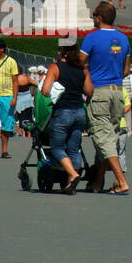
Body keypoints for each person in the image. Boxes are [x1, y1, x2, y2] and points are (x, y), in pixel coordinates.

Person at [80, 2, 130, 194]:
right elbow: (126, 69)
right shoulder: (123, 39)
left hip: (99, 91)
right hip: (117, 92)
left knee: (103, 137)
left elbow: (81, 63)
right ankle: (98, 181)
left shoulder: (91, 38)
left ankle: (121, 180)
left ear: (99, 18)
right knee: (110, 137)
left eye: (93, 15)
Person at [41, 45, 93, 193]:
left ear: (60, 52)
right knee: (74, 148)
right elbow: (89, 90)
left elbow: (45, 91)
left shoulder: (55, 67)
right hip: (79, 111)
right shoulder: (82, 68)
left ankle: (73, 174)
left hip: (63, 111)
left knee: (57, 147)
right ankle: (70, 183)